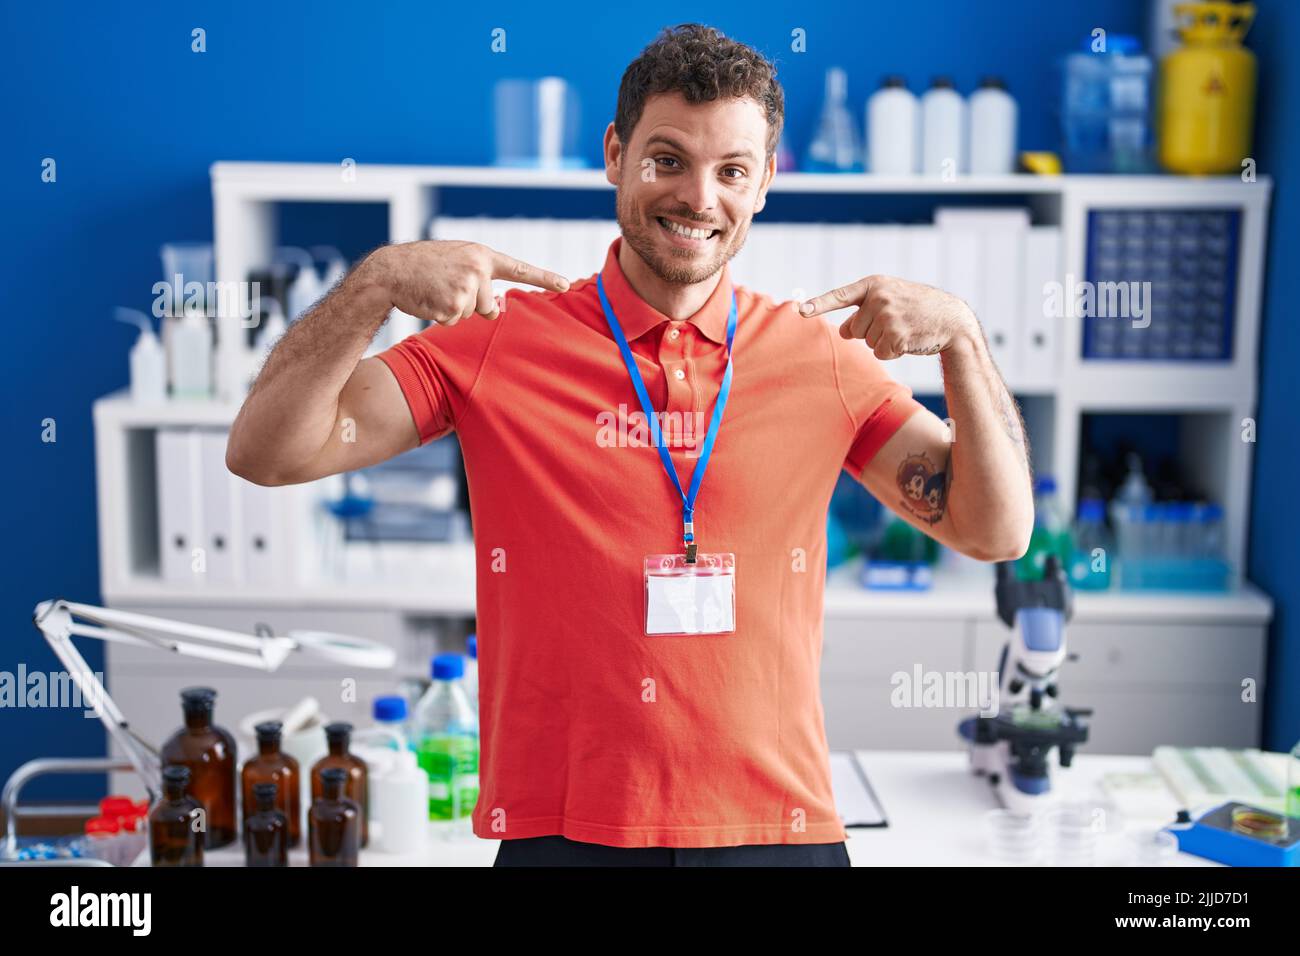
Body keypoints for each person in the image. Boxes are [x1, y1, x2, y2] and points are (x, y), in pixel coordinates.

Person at [227, 23, 1034, 867]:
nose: (698, 197)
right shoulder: (501, 339)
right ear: (615, 154)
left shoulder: (818, 359)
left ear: (763, 185)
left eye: (732, 171)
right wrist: (377, 282)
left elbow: (993, 530)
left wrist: (965, 345)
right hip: (564, 833)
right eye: (667, 159)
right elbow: (267, 451)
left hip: (777, 831)